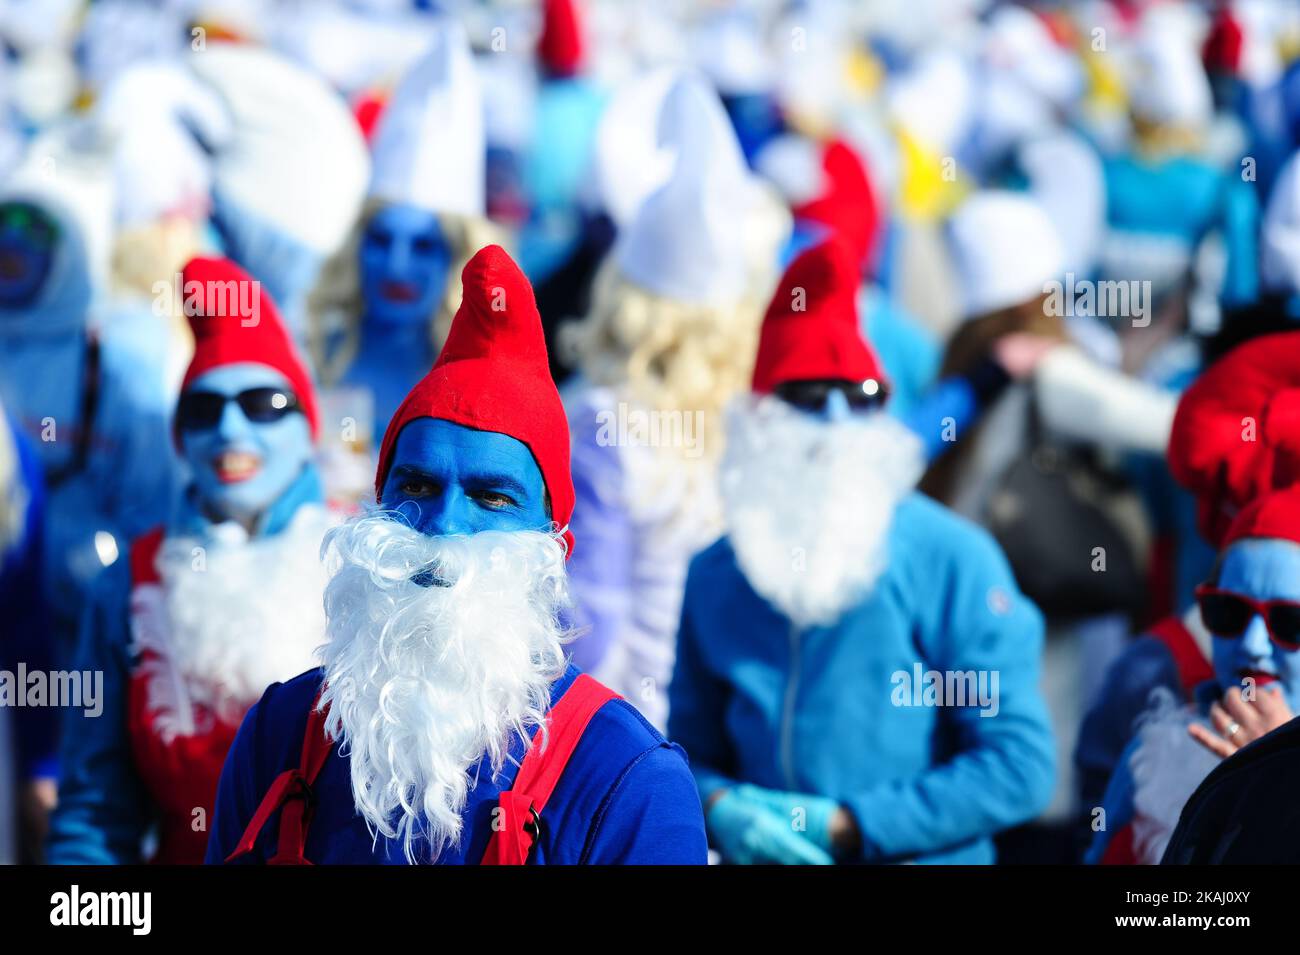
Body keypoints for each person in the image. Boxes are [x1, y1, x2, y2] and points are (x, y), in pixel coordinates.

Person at [207, 244, 707, 865]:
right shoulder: (279, 733)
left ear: (553, 548)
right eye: (415, 486)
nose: (443, 525)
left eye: (491, 498)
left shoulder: (626, 783)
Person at [668, 237, 1055, 864]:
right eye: (810, 397)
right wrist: (716, 807)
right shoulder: (716, 573)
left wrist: (852, 826)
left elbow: (1019, 766)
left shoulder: (952, 557)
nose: (838, 422)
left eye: (863, 397)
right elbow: (687, 749)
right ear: (760, 418)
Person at [47, 257, 335, 864]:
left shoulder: (368, 564)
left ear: (308, 426)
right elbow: (95, 813)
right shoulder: (128, 583)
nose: (230, 430)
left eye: (262, 403)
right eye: (203, 410)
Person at [562, 73, 789, 728]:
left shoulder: (600, 424)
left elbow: (587, 624)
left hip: (621, 733)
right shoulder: (748, 423)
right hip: (721, 728)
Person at [1087, 485, 1300, 865]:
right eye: (1228, 611)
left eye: (1289, 621)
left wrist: (1280, 765)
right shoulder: (1153, 747)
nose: (1253, 645)